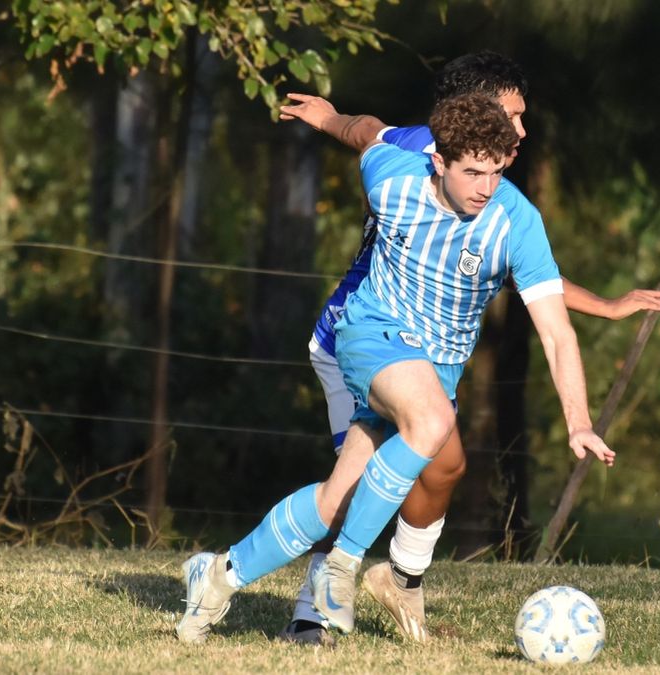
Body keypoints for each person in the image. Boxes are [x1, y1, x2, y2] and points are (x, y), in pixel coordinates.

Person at [175, 93, 614, 645]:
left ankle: (217, 575)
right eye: (473, 171)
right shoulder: (390, 174)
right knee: (430, 423)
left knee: (339, 498)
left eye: (496, 172)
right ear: (438, 160)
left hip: (435, 368)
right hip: (369, 333)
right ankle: (343, 569)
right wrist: (328, 118)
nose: (486, 186)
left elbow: (556, 332)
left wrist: (578, 419)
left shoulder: (516, 223)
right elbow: (366, 132)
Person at [276, 52, 660, 645]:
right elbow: (365, 133)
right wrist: (332, 117)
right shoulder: (417, 152)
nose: (523, 129)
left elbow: (533, 274)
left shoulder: (497, 196)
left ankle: (401, 580)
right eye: (514, 114)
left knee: (447, 466)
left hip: (424, 345)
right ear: (477, 114)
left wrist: (609, 305)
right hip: (353, 337)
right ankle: (312, 616)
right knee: (356, 479)